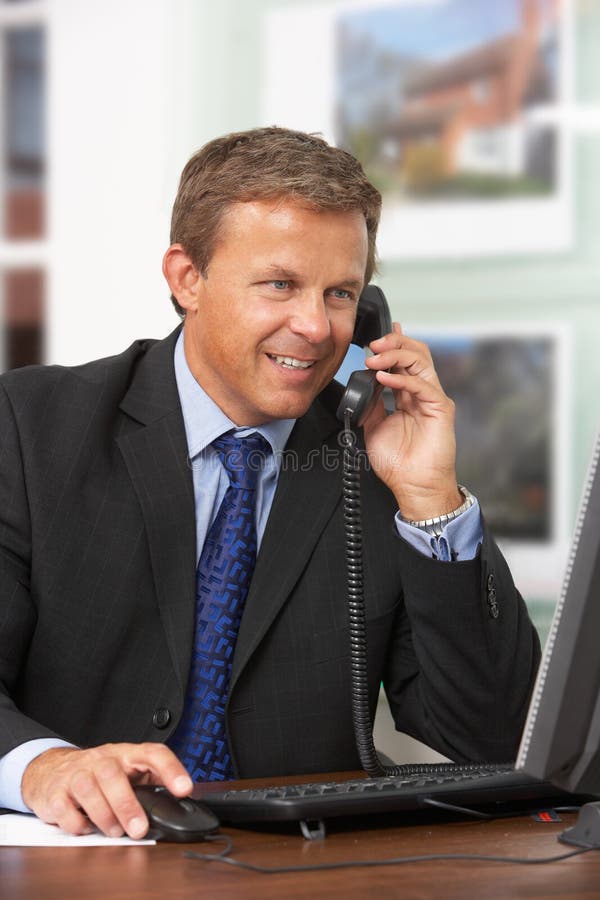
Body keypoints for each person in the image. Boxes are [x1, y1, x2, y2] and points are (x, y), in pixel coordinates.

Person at [0, 126, 540, 840]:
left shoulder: (376, 460)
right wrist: (41, 766)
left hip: (308, 871)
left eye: (340, 293)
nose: (316, 328)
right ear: (186, 277)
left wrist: (432, 499)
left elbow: (500, 739)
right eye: (280, 284)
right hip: (83, 863)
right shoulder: (28, 426)